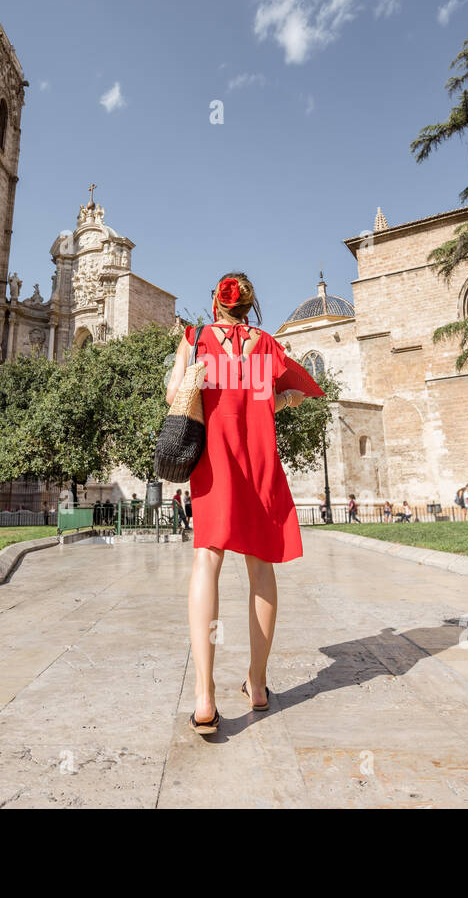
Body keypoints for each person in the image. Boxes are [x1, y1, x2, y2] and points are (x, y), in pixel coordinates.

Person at [165, 272, 308, 735]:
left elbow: (175, 397)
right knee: (262, 568)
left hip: (215, 459)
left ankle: (204, 699)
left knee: (207, 561)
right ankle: (258, 684)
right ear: (249, 306)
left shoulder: (196, 337)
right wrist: (286, 399)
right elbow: (267, 400)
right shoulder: (267, 345)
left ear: (216, 302)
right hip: (260, 458)